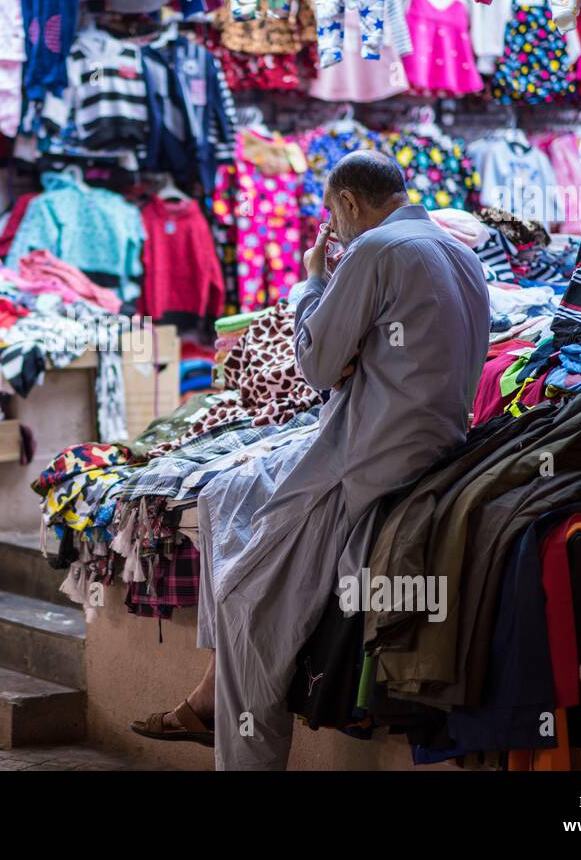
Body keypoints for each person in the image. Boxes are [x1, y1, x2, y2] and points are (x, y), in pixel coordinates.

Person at [130, 150, 490, 769]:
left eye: (332, 214)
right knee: (222, 494)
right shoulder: (460, 254)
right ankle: (211, 695)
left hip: (367, 459)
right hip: (425, 445)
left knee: (246, 598)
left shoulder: (377, 251)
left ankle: (235, 730)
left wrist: (313, 282)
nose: (333, 227)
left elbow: (318, 366)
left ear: (348, 204)